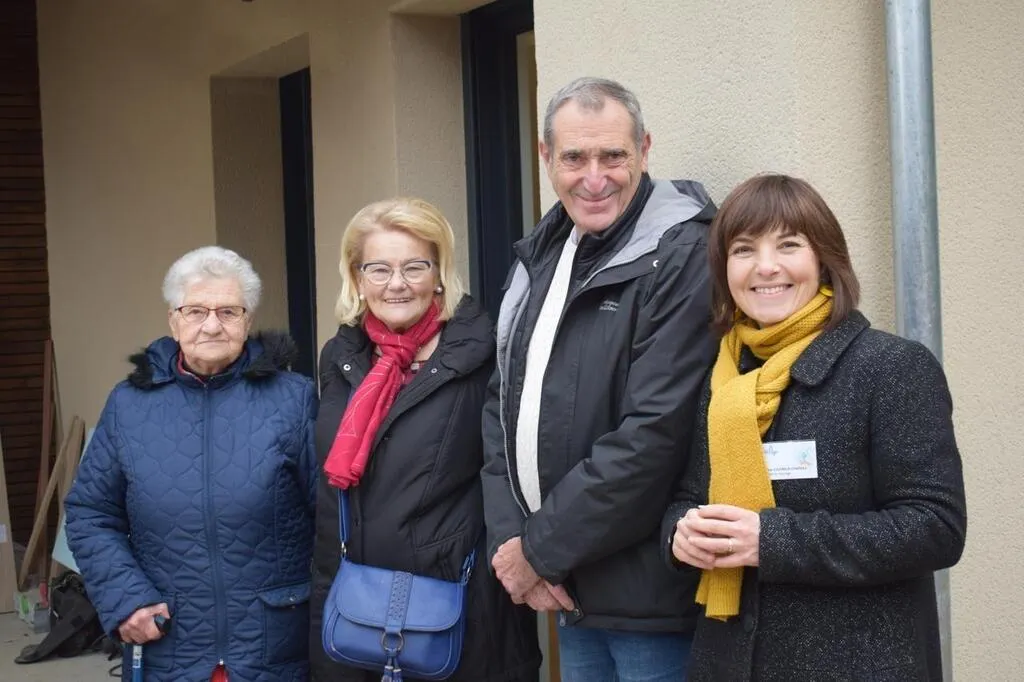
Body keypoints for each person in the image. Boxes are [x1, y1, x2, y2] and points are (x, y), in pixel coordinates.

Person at [663, 174, 967, 681]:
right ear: (725, 269)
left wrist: (771, 540)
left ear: (823, 258)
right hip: (732, 661)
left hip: (859, 662)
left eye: (788, 245)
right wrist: (680, 534)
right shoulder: (725, 377)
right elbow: (688, 495)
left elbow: (935, 528)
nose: (766, 267)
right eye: (743, 249)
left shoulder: (890, 367)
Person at [480, 76, 717, 682]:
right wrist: (514, 543)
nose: (594, 177)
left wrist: (536, 552)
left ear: (644, 149)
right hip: (567, 587)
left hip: (648, 597)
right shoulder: (546, 251)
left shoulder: (683, 252)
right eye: (574, 158)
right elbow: (501, 401)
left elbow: (653, 435)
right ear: (545, 158)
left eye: (613, 156)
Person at [309, 198, 541, 682]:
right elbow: (333, 496)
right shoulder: (341, 357)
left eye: (415, 266)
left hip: (459, 609)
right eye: (379, 269)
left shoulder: (484, 352)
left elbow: (508, 473)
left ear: (439, 274)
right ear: (356, 276)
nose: (396, 284)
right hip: (354, 608)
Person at [65, 246, 318, 682]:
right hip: (168, 646)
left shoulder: (293, 399)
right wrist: (126, 599)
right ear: (173, 319)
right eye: (196, 310)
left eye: (229, 311)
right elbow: (90, 513)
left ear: (248, 321)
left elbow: (333, 514)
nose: (212, 324)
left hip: (274, 644)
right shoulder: (129, 405)